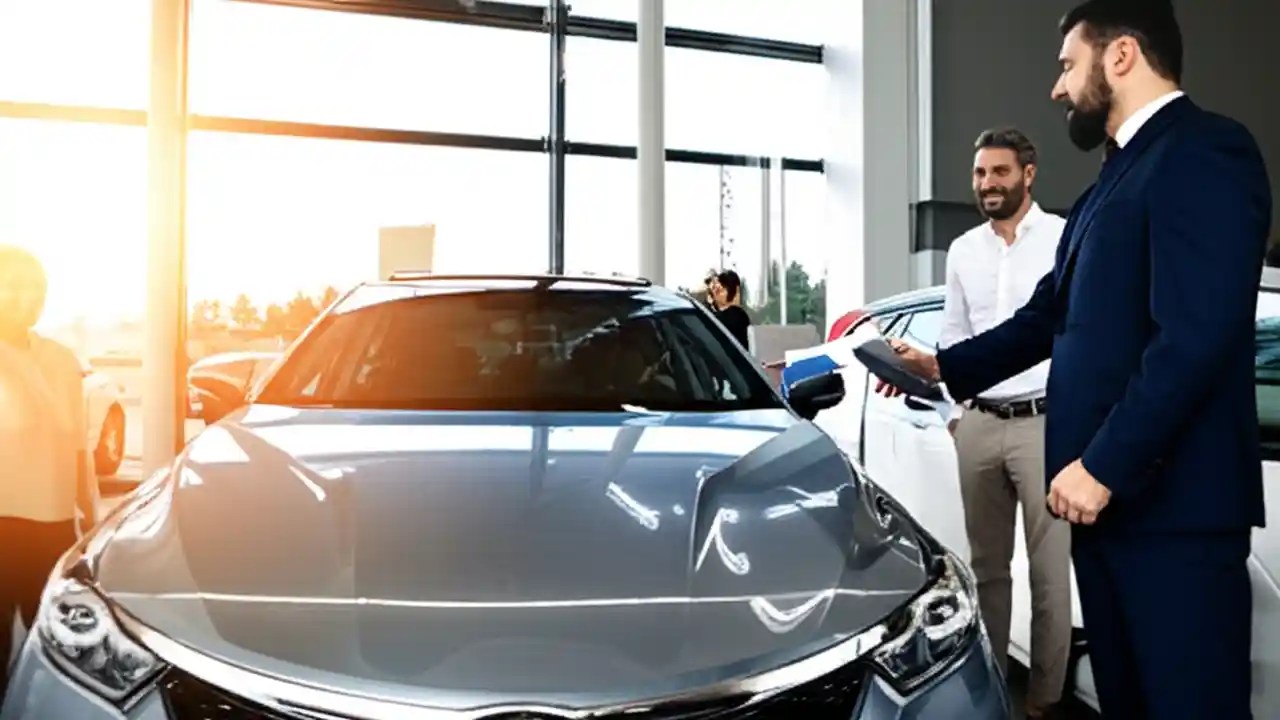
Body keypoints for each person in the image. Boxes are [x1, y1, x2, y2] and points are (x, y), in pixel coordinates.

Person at [880, 1, 1270, 717]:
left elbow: (1196, 336)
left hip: (1173, 514)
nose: (1058, 88)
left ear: (1120, 55)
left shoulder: (1207, 152)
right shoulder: (1104, 189)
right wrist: (945, 367)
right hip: (1110, 513)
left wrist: (1102, 466)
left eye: (1067, 64)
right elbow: (1048, 316)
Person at [938, 127, 1071, 718]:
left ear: (1028, 174)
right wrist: (953, 413)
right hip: (979, 425)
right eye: (979, 175)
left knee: (1050, 576)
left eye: (999, 172)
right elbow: (951, 337)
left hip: (1044, 423)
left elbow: (1071, 333)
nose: (988, 184)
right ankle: (991, 695)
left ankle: (1043, 702)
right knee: (986, 569)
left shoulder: (1064, 240)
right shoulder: (963, 250)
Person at [0, 246, 98, 703]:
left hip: (55, 530)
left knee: (62, 653)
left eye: (37, 288)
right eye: (15, 285)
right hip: (3, 525)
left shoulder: (61, 358)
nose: (30, 297)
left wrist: (93, 525)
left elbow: (78, 446)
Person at [711, 270, 752, 350]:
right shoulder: (741, 315)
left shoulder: (733, 316)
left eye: (720, 289)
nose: (715, 293)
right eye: (715, 289)